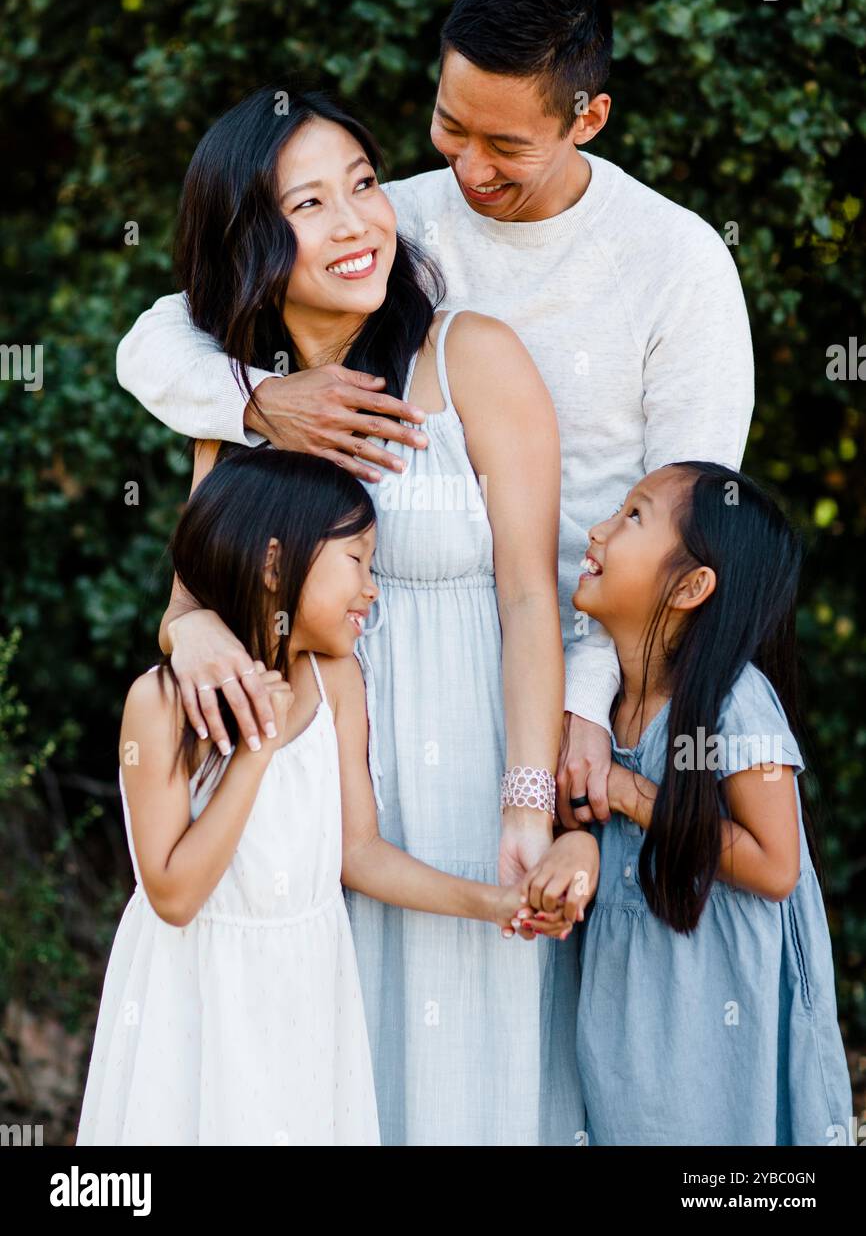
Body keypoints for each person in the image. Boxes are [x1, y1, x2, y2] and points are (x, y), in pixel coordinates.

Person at [115, 0, 755, 840]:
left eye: (506, 147)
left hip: (608, 699)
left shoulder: (677, 264)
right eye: (451, 126)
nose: (470, 168)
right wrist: (263, 402)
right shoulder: (389, 223)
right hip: (388, 686)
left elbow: (694, 519)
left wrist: (589, 700)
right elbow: (155, 338)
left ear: (589, 120)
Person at [115, 82, 588, 1147]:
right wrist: (186, 628)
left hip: (471, 760)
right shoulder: (246, 397)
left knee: (478, 1072)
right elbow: (200, 592)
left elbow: (527, 593)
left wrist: (524, 801)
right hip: (316, 796)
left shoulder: (469, 357)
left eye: (364, 186)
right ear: (252, 238)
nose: (355, 222)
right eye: (309, 204)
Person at [75, 447, 561, 1147]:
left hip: (306, 988)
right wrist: (255, 755)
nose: (372, 588)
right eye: (357, 561)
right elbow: (174, 895)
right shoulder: (162, 704)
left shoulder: (335, 681)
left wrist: (491, 903)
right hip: (200, 997)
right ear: (276, 563)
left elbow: (357, 852)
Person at [523, 461, 854, 1145]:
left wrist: (631, 794)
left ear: (691, 585)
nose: (599, 530)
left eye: (633, 517)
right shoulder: (599, 711)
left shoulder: (734, 702)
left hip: (717, 999)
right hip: (631, 1002)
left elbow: (774, 865)